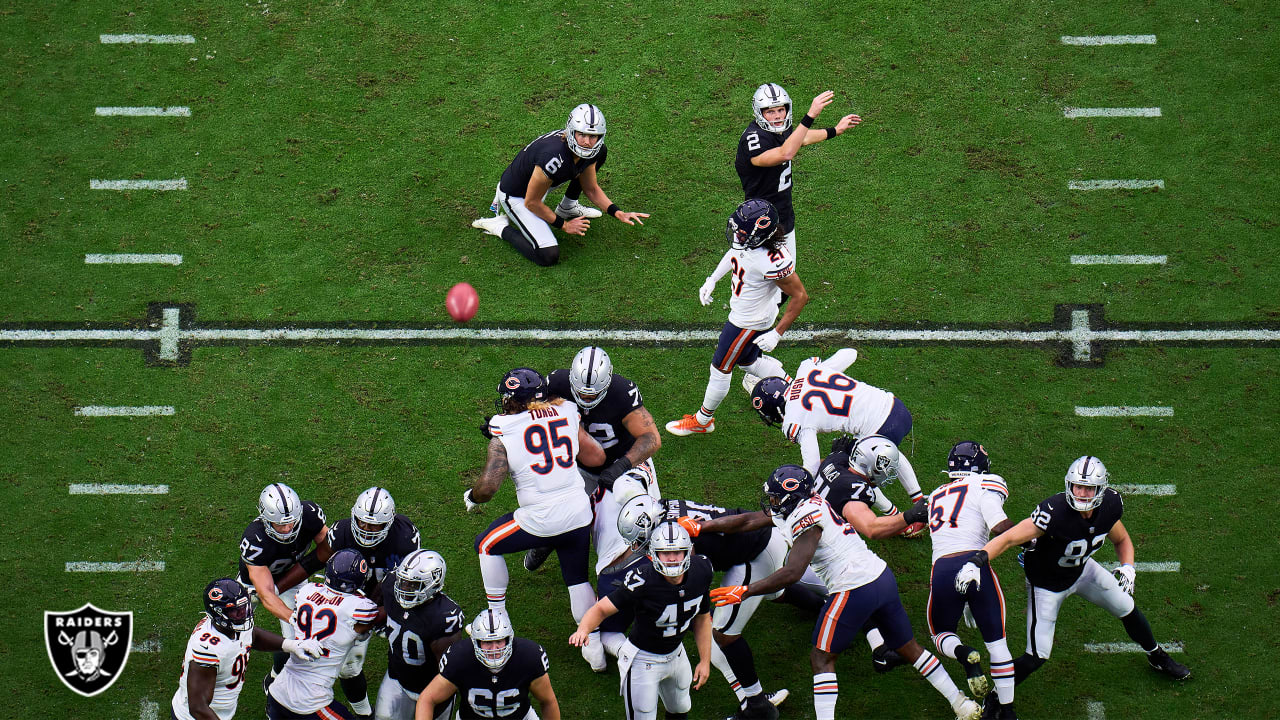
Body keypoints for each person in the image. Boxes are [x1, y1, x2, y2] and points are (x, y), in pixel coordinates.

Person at [684, 465, 981, 720]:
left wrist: (746, 591)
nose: (771, 501)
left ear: (791, 497)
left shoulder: (806, 519)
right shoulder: (805, 504)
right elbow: (749, 520)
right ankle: (961, 704)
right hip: (880, 577)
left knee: (821, 659)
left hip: (852, 588)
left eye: (776, 496)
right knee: (909, 648)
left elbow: (793, 571)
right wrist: (703, 527)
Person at [955, 456, 1191, 688]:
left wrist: (1128, 567)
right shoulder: (1054, 511)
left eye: (1089, 489)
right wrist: (977, 561)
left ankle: (1156, 656)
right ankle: (997, 695)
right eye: (1078, 486)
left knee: (1126, 607)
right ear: (1069, 485)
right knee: (1037, 656)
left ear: (1100, 489)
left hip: (1082, 570)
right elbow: (1008, 538)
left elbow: (1122, 539)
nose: (1081, 493)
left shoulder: (1109, 506)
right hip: (1046, 585)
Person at [465, 367, 608, 671]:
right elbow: (591, 455)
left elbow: (488, 488)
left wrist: (471, 497)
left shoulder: (503, 427)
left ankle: (498, 615)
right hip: (578, 513)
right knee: (577, 579)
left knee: (486, 545)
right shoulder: (568, 410)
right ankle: (593, 647)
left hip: (539, 520)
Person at [659, 496, 825, 719]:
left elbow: (693, 581)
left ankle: (757, 706)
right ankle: (824, 608)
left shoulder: (674, 543)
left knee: (723, 633)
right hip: (758, 538)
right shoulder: (665, 505)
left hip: (757, 551)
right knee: (773, 593)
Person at [667, 199, 807, 437]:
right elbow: (736, 253)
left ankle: (703, 420)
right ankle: (796, 392)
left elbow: (800, 296)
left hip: (747, 322)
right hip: (749, 314)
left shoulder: (771, 260)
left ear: (759, 236)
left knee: (720, 368)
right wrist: (713, 279)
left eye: (743, 233)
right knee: (749, 363)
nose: (737, 235)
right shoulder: (750, 243)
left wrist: (777, 333)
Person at [749, 349, 928, 534]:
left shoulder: (794, 419)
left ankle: (900, 517)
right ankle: (918, 499)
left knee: (854, 475)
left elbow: (811, 465)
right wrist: (827, 368)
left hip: (879, 427)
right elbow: (850, 353)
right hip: (894, 405)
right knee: (874, 451)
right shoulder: (806, 369)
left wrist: (804, 490)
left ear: (775, 410)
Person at [524, 345, 663, 572]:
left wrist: (621, 466)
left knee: (645, 523)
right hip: (577, 466)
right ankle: (549, 538)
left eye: (593, 394)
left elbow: (651, 438)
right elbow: (528, 409)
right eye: (582, 392)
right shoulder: (556, 384)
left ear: (606, 384)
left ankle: (645, 570)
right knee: (553, 508)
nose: (587, 398)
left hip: (626, 466)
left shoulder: (621, 392)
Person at [470, 103, 649, 266]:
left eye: (593, 136)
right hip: (517, 195)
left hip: (544, 183)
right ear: (571, 132)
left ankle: (568, 206)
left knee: (596, 156)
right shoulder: (553, 158)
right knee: (548, 255)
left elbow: (591, 188)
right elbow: (532, 202)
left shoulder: (595, 150)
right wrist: (564, 225)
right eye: (582, 135)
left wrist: (617, 212)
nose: (587, 142)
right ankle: (500, 226)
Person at [570, 520, 714, 720]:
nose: (672, 559)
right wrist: (584, 629)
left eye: (677, 552)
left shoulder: (701, 571)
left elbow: (703, 617)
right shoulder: (643, 580)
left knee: (681, 708)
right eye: (665, 553)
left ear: (687, 552)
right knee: (643, 716)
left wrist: (705, 660)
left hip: (676, 653)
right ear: (654, 554)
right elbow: (602, 608)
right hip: (643, 659)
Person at [811, 437, 931, 671]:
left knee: (862, 591)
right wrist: (910, 516)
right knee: (855, 591)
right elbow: (872, 528)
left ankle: (880, 649)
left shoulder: (833, 462)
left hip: (814, 537)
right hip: (813, 559)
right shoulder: (853, 490)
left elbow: (835, 462)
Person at [923, 442, 1019, 719]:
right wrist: (1031, 539)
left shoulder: (936, 495)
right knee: (998, 643)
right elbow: (999, 526)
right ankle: (1007, 710)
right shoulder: (984, 485)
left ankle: (964, 653)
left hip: (942, 569)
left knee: (940, 634)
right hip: (976, 564)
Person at [729, 84, 862, 263]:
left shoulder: (781, 129)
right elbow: (786, 153)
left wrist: (835, 130)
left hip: (784, 215)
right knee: (765, 281)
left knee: (787, 277)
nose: (777, 116)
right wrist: (810, 115)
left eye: (780, 110)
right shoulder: (754, 139)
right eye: (770, 112)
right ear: (759, 112)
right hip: (760, 221)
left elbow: (802, 138)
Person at [327, 487, 422, 716]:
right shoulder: (340, 533)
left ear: (389, 522)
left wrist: (384, 611)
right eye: (362, 523)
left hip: (394, 600)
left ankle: (418, 696)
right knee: (349, 668)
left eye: (375, 525)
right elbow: (335, 586)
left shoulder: (404, 537)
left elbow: (407, 583)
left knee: (412, 652)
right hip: (351, 600)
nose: (367, 530)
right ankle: (363, 713)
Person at [172, 578, 324, 720]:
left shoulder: (229, 626)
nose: (242, 613)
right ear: (217, 614)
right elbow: (198, 707)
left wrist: (291, 645)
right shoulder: (208, 648)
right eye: (235, 611)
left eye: (244, 607)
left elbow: (253, 636)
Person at [267, 549, 382, 720]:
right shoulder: (360, 607)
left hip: (277, 693)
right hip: (309, 703)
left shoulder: (307, 591)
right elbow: (376, 616)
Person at [238, 483, 332, 685]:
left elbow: (329, 548)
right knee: (233, 628)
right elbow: (266, 594)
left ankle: (274, 678)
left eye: (291, 523)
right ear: (265, 519)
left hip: (293, 578)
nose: (287, 529)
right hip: (253, 585)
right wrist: (293, 617)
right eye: (280, 524)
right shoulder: (255, 539)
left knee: (296, 641)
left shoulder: (309, 515)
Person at [414, 609, 560, 720]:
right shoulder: (460, 659)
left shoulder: (529, 657)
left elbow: (548, 701)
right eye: (488, 642)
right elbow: (428, 698)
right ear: (475, 642)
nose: (494, 649)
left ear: (509, 639)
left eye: (499, 641)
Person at [374, 550, 465, 720]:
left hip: (430, 687)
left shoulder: (443, 617)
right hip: (397, 679)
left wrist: (435, 704)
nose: (404, 589)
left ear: (434, 584)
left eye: (412, 585)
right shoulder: (391, 584)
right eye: (403, 582)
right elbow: (376, 599)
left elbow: (448, 673)